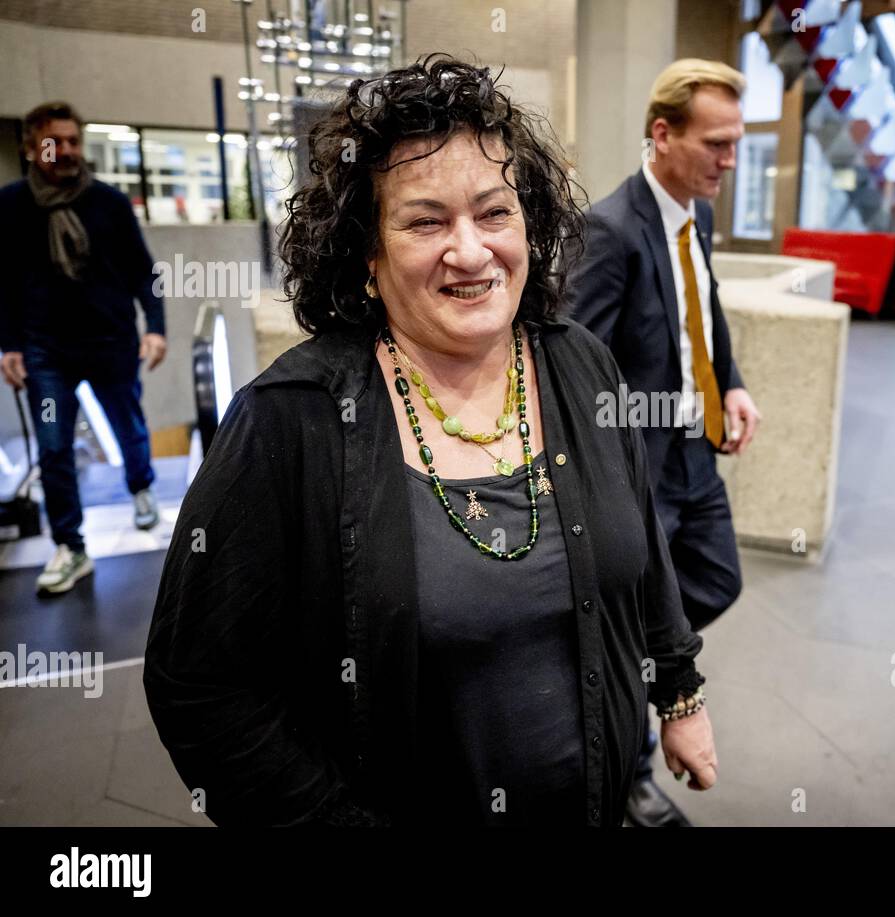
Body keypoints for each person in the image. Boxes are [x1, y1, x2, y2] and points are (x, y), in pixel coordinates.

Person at [144, 55, 718, 827]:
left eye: (494, 213)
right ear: (367, 254)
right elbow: (200, 683)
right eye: (425, 221)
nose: (471, 251)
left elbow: (641, 544)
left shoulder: (580, 361)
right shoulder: (289, 422)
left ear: (530, 222)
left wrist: (677, 691)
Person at [567, 59, 761, 827]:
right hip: (638, 468)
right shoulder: (609, 231)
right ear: (661, 134)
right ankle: (632, 768)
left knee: (716, 580)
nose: (730, 160)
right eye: (716, 143)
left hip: (695, 449)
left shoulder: (697, 217)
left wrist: (734, 381)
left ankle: (624, 674)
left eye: (736, 143)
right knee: (638, 611)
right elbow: (579, 368)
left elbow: (704, 307)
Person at [0, 101, 166, 595]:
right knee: (53, 445)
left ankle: (140, 489)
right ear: (32, 148)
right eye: (56, 141)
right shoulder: (10, 207)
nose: (69, 150)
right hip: (45, 351)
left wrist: (154, 328)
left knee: (129, 427)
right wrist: (8, 345)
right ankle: (70, 546)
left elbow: (143, 272)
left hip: (111, 343)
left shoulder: (109, 203)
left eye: (74, 140)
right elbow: (3, 283)